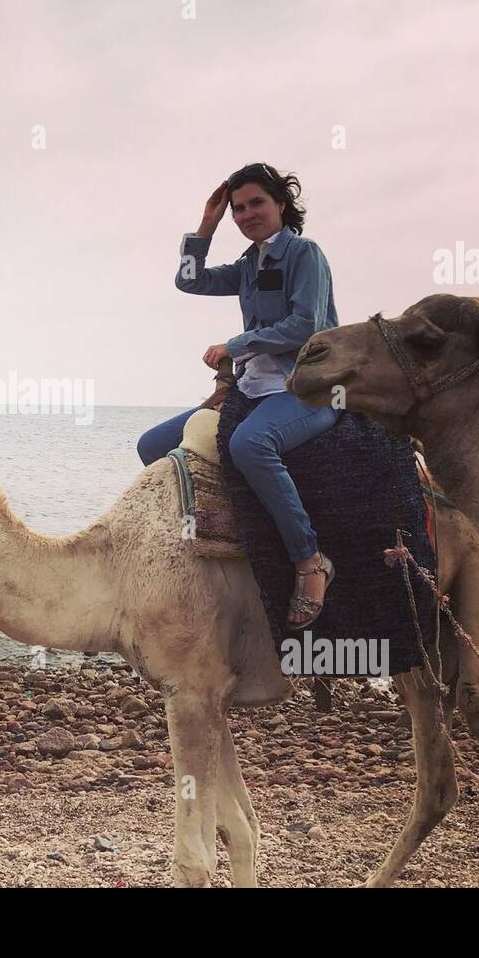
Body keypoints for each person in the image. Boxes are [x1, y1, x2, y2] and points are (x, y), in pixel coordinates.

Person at [137, 163, 341, 626]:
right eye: (238, 208)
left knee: (250, 444)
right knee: (152, 446)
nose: (247, 214)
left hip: (305, 388)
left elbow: (306, 325)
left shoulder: (304, 254)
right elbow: (189, 281)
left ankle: (310, 561)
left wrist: (234, 345)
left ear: (281, 205)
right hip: (251, 388)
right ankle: (208, 542)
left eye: (257, 203)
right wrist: (205, 228)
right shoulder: (249, 264)